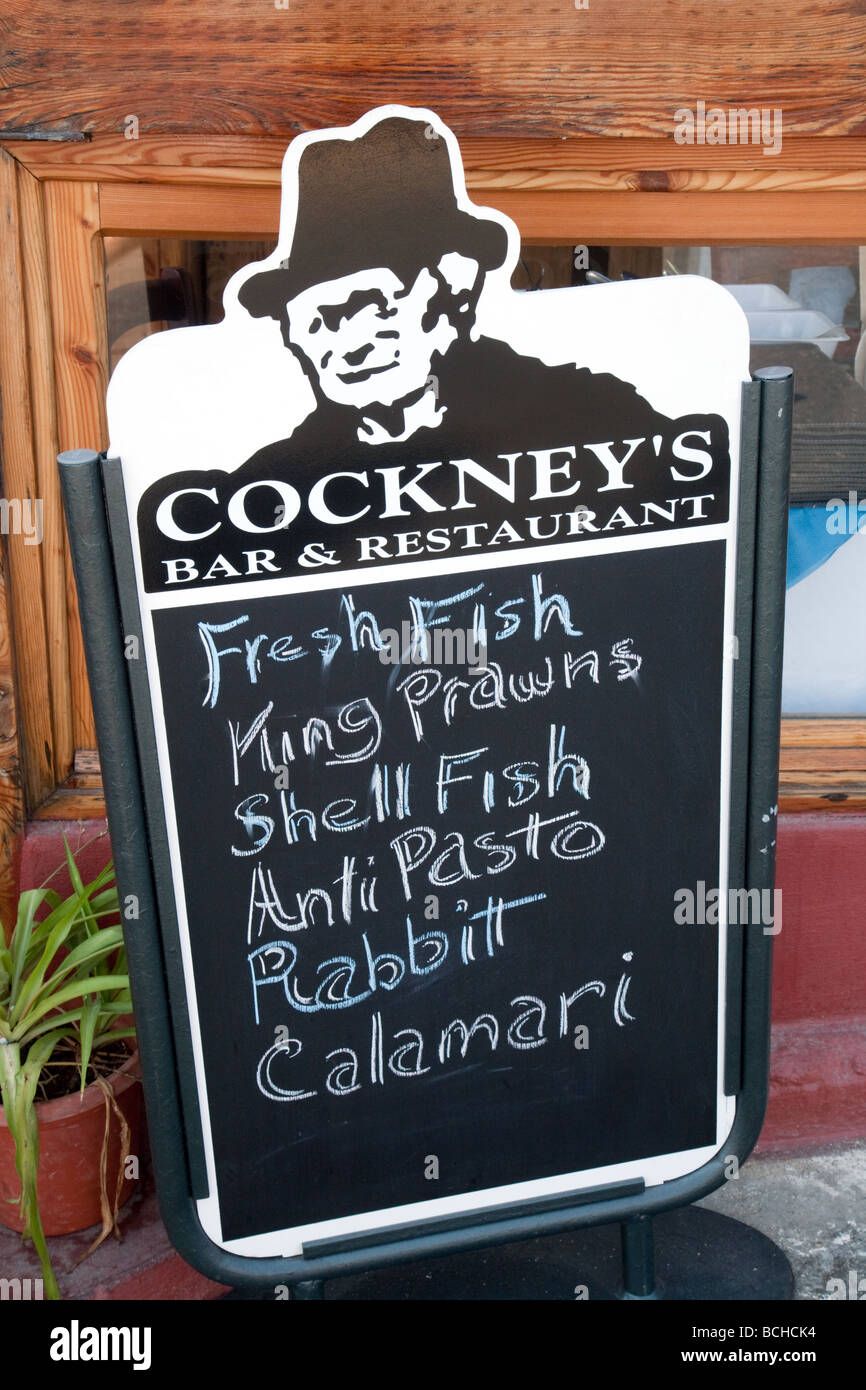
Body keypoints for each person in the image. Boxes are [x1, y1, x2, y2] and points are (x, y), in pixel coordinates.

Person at [137, 112, 730, 591]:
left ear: (451, 290)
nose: (349, 343)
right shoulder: (265, 489)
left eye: (372, 304)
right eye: (317, 322)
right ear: (291, 340)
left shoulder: (597, 418)